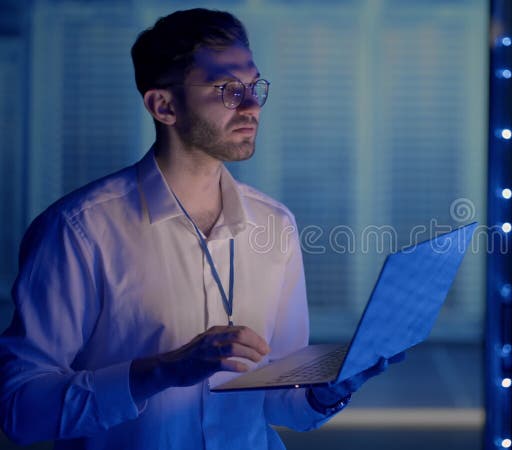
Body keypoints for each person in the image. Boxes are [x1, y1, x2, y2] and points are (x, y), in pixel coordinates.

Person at [0, 8, 395, 449]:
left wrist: (324, 392)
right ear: (163, 105)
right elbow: (18, 409)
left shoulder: (276, 224)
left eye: (254, 87)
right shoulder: (79, 231)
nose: (251, 106)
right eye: (228, 90)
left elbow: (276, 399)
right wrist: (162, 371)